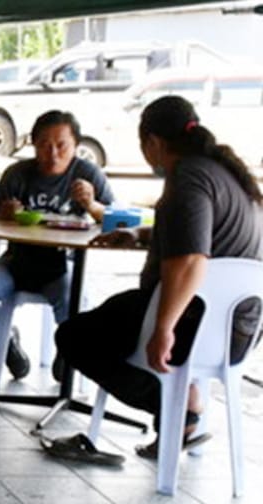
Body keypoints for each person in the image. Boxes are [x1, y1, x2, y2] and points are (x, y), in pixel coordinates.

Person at [56, 96, 263, 458]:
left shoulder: (187, 177)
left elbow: (191, 260)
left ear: (151, 142)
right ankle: (178, 410)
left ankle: (179, 408)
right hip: (238, 330)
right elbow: (197, 238)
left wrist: (164, 328)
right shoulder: (222, 172)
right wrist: (140, 235)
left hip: (196, 325)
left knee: (75, 337)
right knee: (112, 316)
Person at [0, 110, 113, 380]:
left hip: (64, 263)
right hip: (17, 261)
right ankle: (5, 343)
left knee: (73, 296)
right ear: (33, 144)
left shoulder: (87, 174)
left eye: (61, 145)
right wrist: (5, 215)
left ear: (76, 145)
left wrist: (91, 205)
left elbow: (115, 221)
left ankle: (67, 349)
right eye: (44, 144)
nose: (53, 153)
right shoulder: (17, 174)